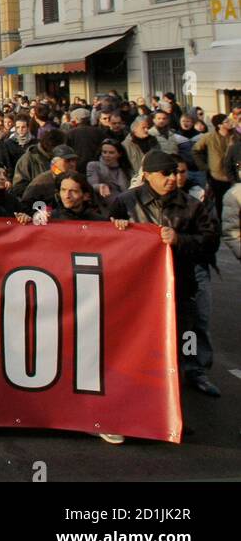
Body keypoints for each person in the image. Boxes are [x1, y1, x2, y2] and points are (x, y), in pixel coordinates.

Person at [109, 150, 221, 408]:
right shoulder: (125, 202)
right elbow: (105, 236)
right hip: (139, 285)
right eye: (165, 173)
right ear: (148, 175)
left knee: (188, 330)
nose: (172, 178)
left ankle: (194, 370)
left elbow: (210, 241)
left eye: (175, 172)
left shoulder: (192, 206)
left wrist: (180, 240)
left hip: (182, 281)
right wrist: (117, 228)